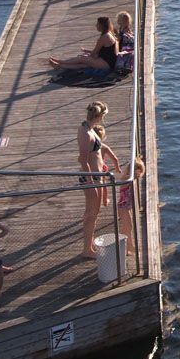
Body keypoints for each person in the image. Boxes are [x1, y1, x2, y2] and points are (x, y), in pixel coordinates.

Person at [78, 101, 111, 257]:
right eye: (103, 116)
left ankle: (89, 245)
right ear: (98, 116)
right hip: (92, 179)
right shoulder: (86, 133)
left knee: (92, 213)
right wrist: (91, 183)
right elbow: (83, 160)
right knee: (92, 214)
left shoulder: (87, 128)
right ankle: (86, 250)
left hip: (96, 177)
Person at [49, 16, 119, 73]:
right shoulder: (109, 33)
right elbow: (105, 51)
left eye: (97, 24)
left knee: (82, 58)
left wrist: (88, 55)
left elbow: (94, 53)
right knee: (84, 64)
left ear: (102, 26)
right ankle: (59, 65)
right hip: (110, 61)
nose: (96, 26)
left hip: (107, 64)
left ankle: (61, 62)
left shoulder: (104, 37)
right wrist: (87, 51)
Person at [118, 157, 146, 255]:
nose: (139, 175)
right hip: (123, 208)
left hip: (126, 207)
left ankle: (127, 246)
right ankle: (126, 246)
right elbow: (122, 180)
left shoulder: (131, 180)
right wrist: (132, 175)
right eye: (138, 172)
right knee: (128, 227)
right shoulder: (126, 179)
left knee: (127, 227)